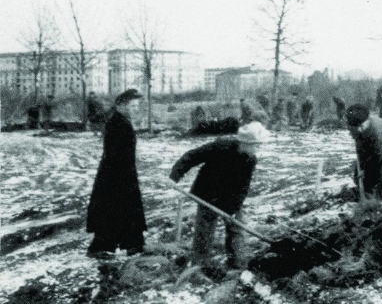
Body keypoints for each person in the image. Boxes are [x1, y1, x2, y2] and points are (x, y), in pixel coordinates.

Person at [169, 121, 269, 268]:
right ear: (246, 142)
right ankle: (200, 264)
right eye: (257, 145)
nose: (258, 148)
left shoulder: (250, 159)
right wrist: (174, 176)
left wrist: (234, 208)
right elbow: (192, 156)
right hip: (207, 194)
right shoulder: (220, 147)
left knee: (236, 227)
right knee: (205, 230)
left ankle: (237, 263)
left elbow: (243, 187)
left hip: (230, 196)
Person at [86, 89, 146, 256]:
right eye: (133, 105)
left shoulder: (121, 121)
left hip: (121, 175)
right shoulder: (117, 123)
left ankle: (133, 245)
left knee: (122, 212)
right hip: (115, 178)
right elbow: (114, 155)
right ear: (122, 105)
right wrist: (123, 178)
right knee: (115, 212)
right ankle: (104, 248)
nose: (136, 108)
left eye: (137, 105)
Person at [345, 103, 382, 207]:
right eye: (355, 127)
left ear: (366, 121)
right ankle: (369, 201)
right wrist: (361, 167)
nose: (358, 129)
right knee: (359, 177)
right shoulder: (353, 124)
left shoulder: (378, 132)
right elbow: (358, 142)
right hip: (364, 145)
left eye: (361, 126)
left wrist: (366, 170)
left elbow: (377, 156)